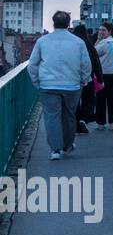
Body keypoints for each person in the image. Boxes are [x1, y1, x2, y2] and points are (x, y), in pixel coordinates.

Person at [27, 10, 92, 161]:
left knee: (52, 117)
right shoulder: (78, 42)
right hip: (72, 85)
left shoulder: (42, 41)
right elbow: (86, 65)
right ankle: (67, 146)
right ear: (69, 23)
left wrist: (36, 81)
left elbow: (32, 65)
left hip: (48, 85)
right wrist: (83, 80)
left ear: (53, 23)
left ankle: (55, 150)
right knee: (69, 116)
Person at [70, 21, 102, 135]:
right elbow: (96, 63)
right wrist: (100, 79)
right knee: (89, 100)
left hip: (74, 77)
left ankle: (77, 122)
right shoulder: (89, 45)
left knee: (75, 102)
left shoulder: (73, 45)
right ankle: (84, 119)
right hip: (88, 77)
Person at [95, 22, 113, 129]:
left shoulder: (103, 43)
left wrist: (97, 40)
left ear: (109, 31)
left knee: (100, 99)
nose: (100, 32)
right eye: (100, 30)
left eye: (103, 30)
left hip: (104, 73)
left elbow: (94, 54)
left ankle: (101, 123)